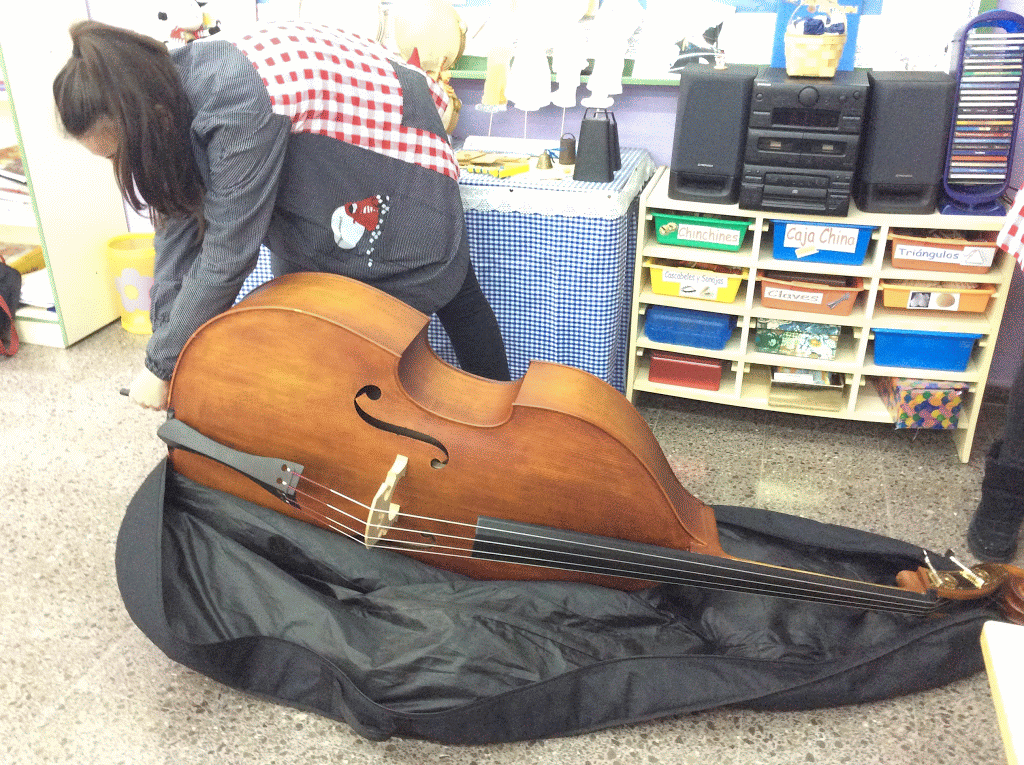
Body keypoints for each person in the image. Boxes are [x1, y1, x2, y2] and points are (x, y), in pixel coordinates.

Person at [53, 20, 511, 410]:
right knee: (308, 318)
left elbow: (228, 253)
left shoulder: (233, 99)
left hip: (395, 153)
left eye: (118, 154)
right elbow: (178, 222)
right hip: (317, 170)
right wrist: (166, 346)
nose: (120, 166)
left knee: (446, 292)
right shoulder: (164, 88)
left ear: (146, 120)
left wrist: (161, 365)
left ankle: (499, 423)